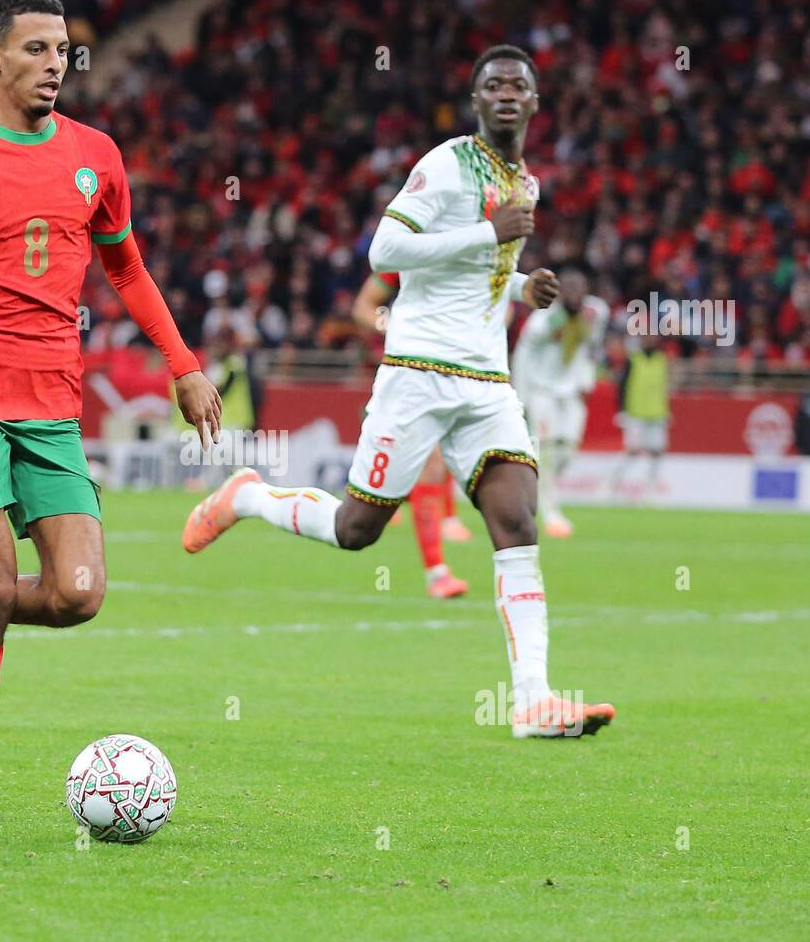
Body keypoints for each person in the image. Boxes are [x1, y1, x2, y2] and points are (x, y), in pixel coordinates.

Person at [184, 46, 614, 738]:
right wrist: (487, 234)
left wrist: (518, 284)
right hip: (416, 371)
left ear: (535, 102)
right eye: (494, 84)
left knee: (518, 523)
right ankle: (249, 496)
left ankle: (532, 701)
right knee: (357, 530)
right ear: (477, 100)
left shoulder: (525, 183)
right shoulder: (447, 164)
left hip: (487, 382)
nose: (508, 93)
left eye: (520, 85)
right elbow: (385, 251)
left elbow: (478, 271)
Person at [0, 0, 221, 824]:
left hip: (52, 401)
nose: (54, 66)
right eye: (35, 50)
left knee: (77, 593)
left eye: (62, 51)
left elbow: (127, 270)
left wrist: (183, 364)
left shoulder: (96, 156)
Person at [351, 270, 468, 598]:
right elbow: (364, 307)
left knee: (434, 464)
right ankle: (255, 500)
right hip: (408, 378)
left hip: (456, 375)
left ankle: (437, 571)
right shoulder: (406, 254)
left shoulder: (475, 252)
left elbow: (504, 308)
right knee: (354, 522)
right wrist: (393, 329)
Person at [511, 263, 607, 537]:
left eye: (580, 288)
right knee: (548, 451)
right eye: (569, 288)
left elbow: (592, 347)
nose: (575, 293)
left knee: (569, 449)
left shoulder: (595, 313)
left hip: (571, 392)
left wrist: (586, 379)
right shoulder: (543, 321)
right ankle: (551, 513)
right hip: (542, 392)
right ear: (559, 292)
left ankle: (534, 485)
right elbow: (523, 355)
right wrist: (522, 397)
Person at [611, 330, 670, 501]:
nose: (651, 340)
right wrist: (621, 410)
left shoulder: (662, 360)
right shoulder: (633, 360)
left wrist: (667, 411)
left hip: (657, 413)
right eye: (648, 337)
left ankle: (650, 492)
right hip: (636, 413)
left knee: (657, 452)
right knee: (633, 451)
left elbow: (663, 387)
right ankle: (612, 483)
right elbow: (622, 386)